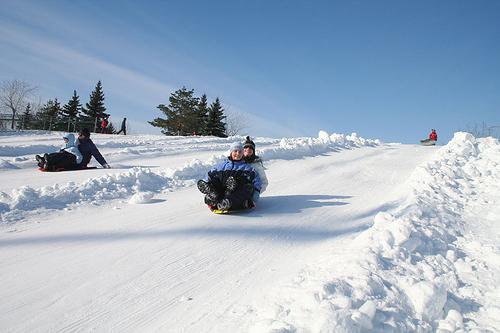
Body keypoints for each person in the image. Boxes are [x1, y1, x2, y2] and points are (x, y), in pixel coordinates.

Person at [197, 142, 262, 211]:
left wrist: (255, 195)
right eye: (235, 151)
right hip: (221, 190)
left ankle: (226, 202)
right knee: (215, 179)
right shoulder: (222, 165)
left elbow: (257, 181)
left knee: (247, 187)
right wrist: (207, 182)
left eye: (240, 152)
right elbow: (210, 174)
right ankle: (213, 194)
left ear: (243, 154)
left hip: (236, 192)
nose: (237, 154)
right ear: (231, 152)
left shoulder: (248, 168)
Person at [242, 136, 268, 204]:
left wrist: (256, 191)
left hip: (251, 190)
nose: (248, 149)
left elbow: (264, 182)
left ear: (253, 151)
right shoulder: (238, 162)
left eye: (251, 148)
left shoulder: (257, 165)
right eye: (246, 147)